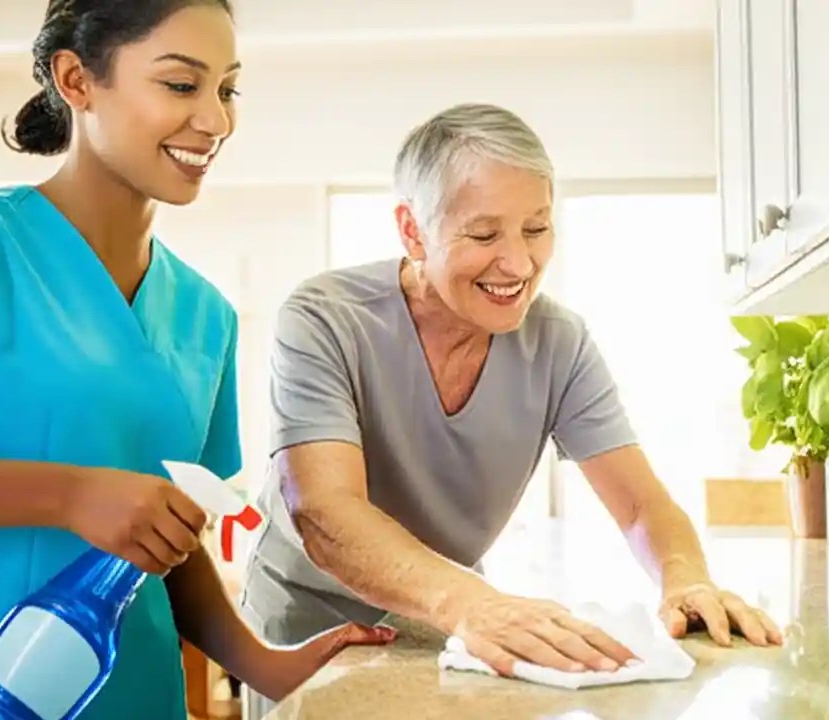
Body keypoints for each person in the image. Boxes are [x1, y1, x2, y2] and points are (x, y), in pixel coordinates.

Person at [0, 1, 392, 718]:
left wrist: (267, 664)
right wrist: (72, 495)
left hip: (132, 693)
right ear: (76, 80)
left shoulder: (206, 314)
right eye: (182, 85)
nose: (217, 120)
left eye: (228, 89)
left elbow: (171, 540)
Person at [238, 102, 783, 716]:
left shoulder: (559, 342)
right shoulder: (323, 317)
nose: (519, 265)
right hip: (311, 630)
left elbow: (639, 503)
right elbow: (325, 512)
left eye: (536, 228)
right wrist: (472, 604)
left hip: (445, 626)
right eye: (483, 234)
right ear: (412, 230)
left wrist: (687, 579)